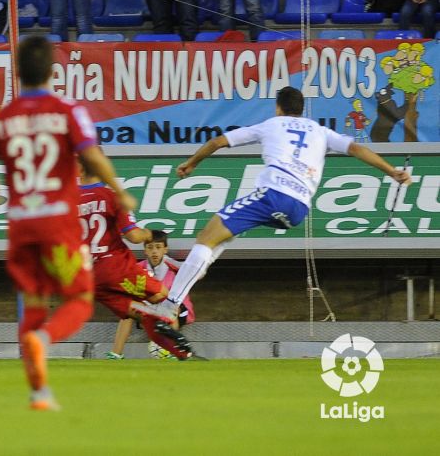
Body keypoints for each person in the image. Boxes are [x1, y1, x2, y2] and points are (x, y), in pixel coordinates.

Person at [135, 86, 412, 327]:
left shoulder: (271, 125)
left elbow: (219, 141)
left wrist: (192, 163)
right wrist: (392, 172)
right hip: (299, 209)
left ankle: (170, 305)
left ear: (278, 108)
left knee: (206, 237)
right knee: (223, 236)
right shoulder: (320, 131)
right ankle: (198, 268)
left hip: (273, 195)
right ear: (301, 110)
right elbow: (356, 148)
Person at [0, 35, 136, 411]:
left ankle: (39, 391)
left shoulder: (2, 119)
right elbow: (90, 154)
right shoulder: (67, 110)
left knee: (33, 303)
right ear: (51, 71)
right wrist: (119, 190)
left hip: (21, 228)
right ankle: (44, 340)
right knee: (78, 298)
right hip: (58, 225)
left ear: (18, 71)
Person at [77, 165, 195, 361]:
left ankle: (178, 352)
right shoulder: (112, 196)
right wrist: (148, 233)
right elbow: (133, 236)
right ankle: (172, 337)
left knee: (139, 313)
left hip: (89, 276)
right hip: (115, 266)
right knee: (165, 298)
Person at [109, 229, 196, 360]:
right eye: (150, 247)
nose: (154, 251)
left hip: (176, 312)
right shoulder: (138, 269)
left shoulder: (172, 266)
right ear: (145, 250)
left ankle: (173, 352)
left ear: (165, 249)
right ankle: (116, 354)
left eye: (158, 247)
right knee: (127, 311)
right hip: (150, 311)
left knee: (171, 308)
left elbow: (197, 273)